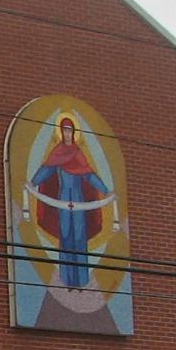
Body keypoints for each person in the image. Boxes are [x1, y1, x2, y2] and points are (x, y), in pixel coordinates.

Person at [28, 116, 112, 288]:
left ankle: (81, 281)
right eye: (65, 130)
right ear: (61, 132)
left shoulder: (78, 153)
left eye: (70, 130)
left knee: (80, 236)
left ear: (74, 133)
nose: (67, 134)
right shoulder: (57, 152)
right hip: (64, 198)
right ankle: (67, 280)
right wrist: (33, 182)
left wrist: (105, 190)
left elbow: (89, 174)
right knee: (65, 235)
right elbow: (47, 169)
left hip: (79, 199)